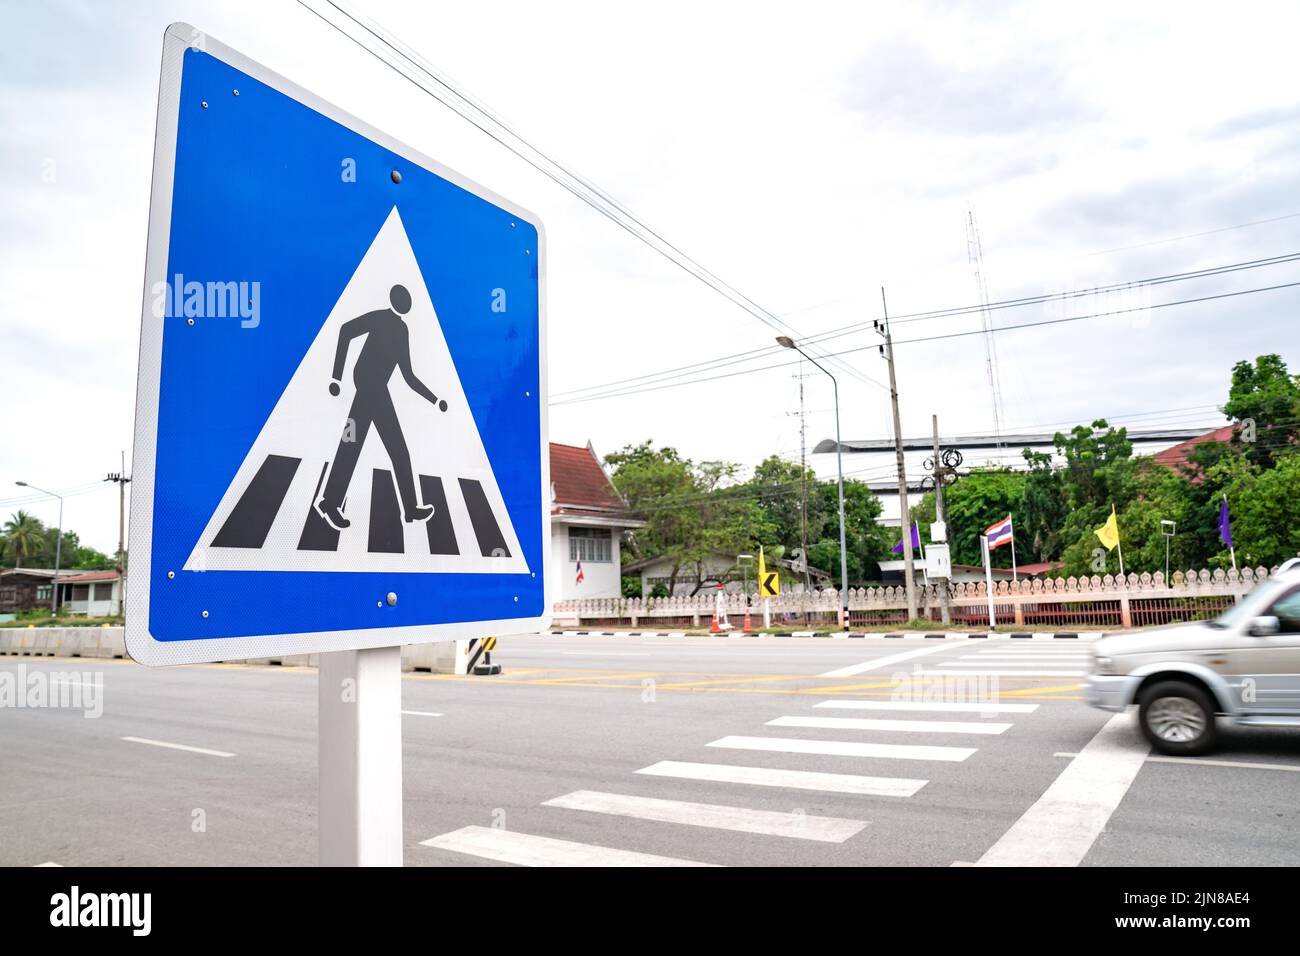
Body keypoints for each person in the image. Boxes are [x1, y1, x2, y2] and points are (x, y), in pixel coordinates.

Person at [315, 284, 447, 531]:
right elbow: (346, 331)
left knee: (357, 443)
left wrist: (434, 399)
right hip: (367, 385)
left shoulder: (402, 329)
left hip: (376, 390)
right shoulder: (379, 317)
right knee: (367, 444)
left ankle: (332, 502)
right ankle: (334, 503)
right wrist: (336, 377)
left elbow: (408, 376)